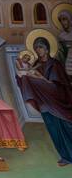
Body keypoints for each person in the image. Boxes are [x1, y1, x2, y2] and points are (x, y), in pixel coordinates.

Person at [16, 35, 72, 164]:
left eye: (40, 47)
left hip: (59, 104)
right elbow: (29, 79)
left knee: (66, 129)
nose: (38, 50)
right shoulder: (35, 64)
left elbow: (57, 86)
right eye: (36, 48)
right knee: (54, 131)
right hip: (45, 104)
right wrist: (21, 76)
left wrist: (41, 79)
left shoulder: (55, 65)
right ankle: (65, 156)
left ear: (47, 49)